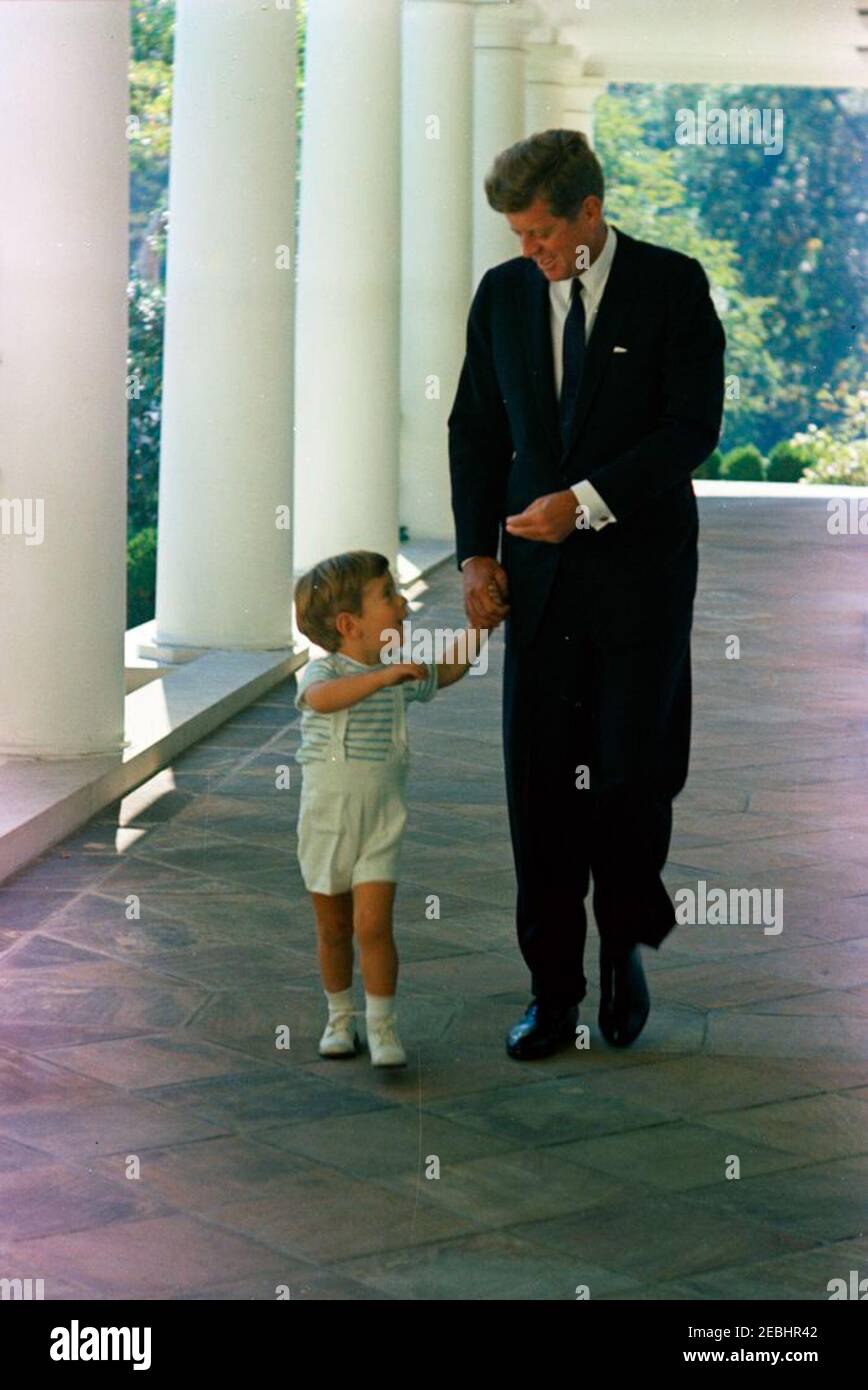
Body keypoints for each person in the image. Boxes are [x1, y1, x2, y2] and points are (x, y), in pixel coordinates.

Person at [448, 129, 725, 1059]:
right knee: (541, 786)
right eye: (518, 236)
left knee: (630, 776)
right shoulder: (503, 295)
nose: (528, 251)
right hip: (537, 588)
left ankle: (625, 949)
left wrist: (588, 503)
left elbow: (693, 429)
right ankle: (552, 992)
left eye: (538, 234)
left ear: (589, 214)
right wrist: (475, 559)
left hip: (642, 578)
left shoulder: (672, 286)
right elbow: (476, 430)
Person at [293, 550, 486, 1067]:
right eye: (389, 596)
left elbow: (445, 671)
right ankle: (340, 1018)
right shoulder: (324, 671)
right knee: (333, 928)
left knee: (374, 926)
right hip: (326, 825)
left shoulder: (398, 671)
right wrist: (383, 679)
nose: (403, 605)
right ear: (349, 625)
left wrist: (479, 627)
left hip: (382, 823)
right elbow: (323, 699)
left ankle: (381, 1025)